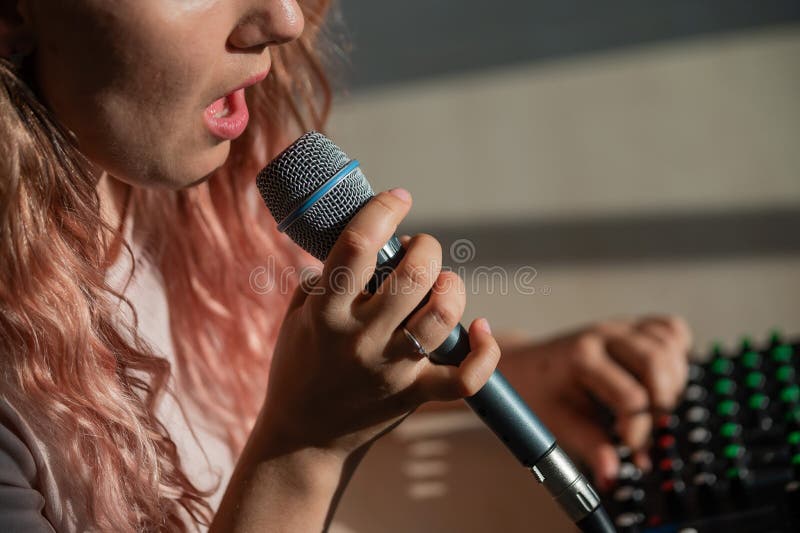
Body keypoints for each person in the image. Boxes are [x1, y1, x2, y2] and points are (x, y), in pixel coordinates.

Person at [0, 1, 691, 531]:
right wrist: (303, 454)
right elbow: (303, 408)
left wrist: (518, 372)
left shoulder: (203, 182)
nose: (283, 17)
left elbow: (281, 361)